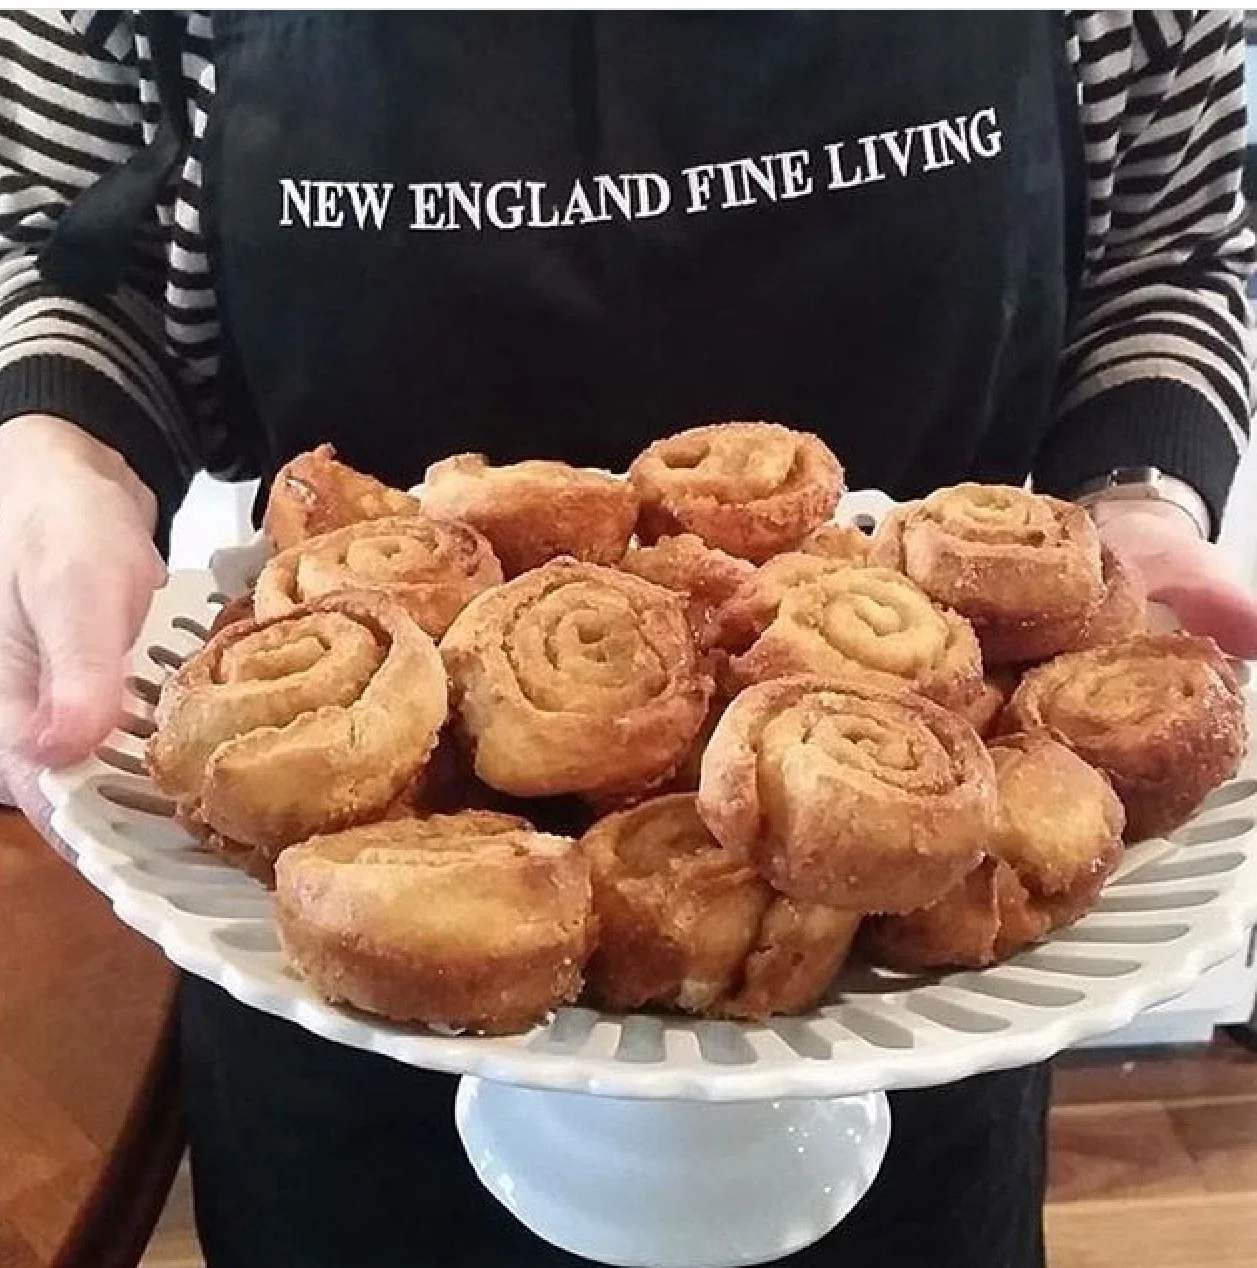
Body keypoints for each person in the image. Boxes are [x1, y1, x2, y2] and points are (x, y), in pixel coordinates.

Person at [1, 11, 1255, 1268]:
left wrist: (1137, 498)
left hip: (904, 1005)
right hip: (340, 993)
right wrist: (55, 461)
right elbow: (57, 241)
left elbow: (1174, 240)